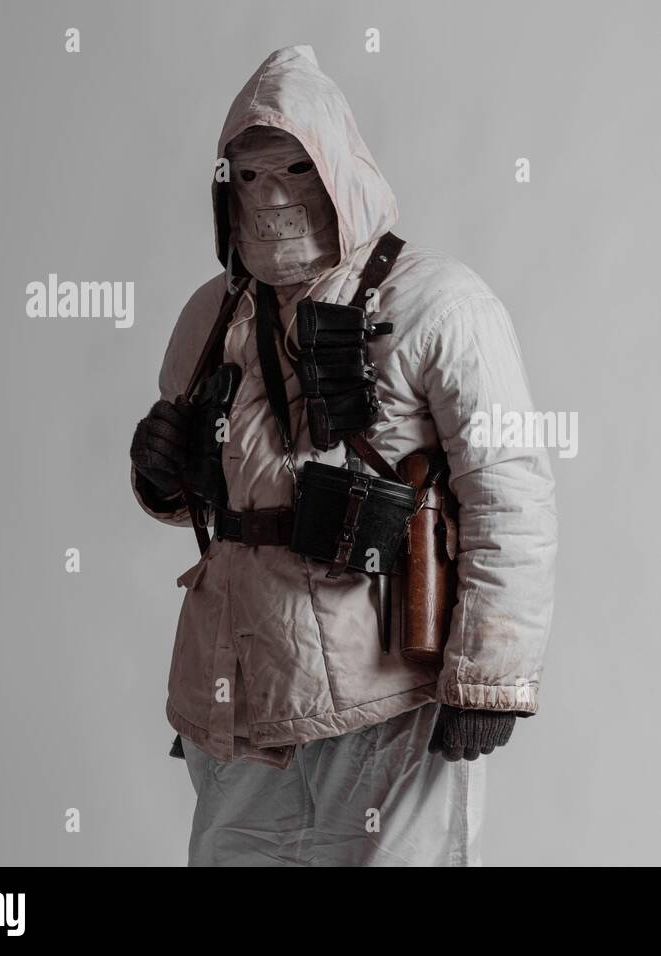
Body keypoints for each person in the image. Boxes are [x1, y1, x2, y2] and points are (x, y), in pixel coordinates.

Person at [128, 45, 557, 866]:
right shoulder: (208, 317)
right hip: (240, 692)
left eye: (295, 166)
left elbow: (510, 492)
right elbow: (208, 501)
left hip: (388, 698)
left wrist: (491, 673)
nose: (274, 193)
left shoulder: (440, 301)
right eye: (249, 175)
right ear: (225, 189)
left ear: (338, 169)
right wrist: (161, 474)